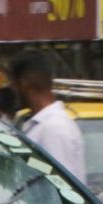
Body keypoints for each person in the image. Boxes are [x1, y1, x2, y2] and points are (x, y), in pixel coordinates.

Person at [11, 51, 87, 182]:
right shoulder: (40, 124)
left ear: (24, 84)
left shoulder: (54, 128)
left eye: (13, 84)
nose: (12, 89)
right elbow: (46, 170)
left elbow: (60, 181)